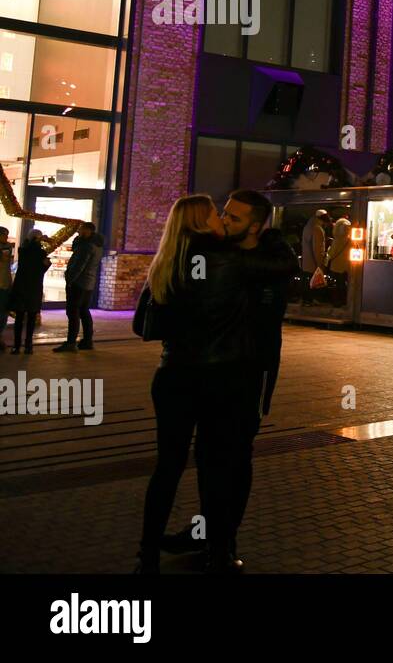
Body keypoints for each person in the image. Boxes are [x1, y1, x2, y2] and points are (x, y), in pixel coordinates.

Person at [134, 194, 256, 574]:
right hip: (215, 378)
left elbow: (141, 325)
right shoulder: (224, 259)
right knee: (213, 468)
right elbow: (280, 266)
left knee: (166, 469)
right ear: (203, 223)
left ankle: (147, 557)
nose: (223, 219)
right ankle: (218, 553)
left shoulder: (166, 263)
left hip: (172, 377)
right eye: (216, 215)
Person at [54, 223, 103, 352]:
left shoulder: (87, 246)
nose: (78, 232)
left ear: (88, 230)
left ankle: (71, 343)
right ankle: (87, 341)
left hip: (79, 283)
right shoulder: (96, 245)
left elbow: (79, 265)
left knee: (73, 312)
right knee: (84, 311)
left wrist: (70, 279)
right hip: (88, 283)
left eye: (81, 229)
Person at [9, 231, 51, 355]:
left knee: (19, 319)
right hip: (34, 289)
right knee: (31, 319)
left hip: (21, 288)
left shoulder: (23, 250)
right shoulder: (41, 253)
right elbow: (41, 270)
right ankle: (28, 346)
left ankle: (16, 346)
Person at [300, 209, 329, 303]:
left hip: (306, 262)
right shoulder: (318, 229)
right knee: (315, 282)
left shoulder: (307, 227)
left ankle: (306, 300)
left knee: (307, 281)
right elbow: (318, 249)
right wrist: (320, 264)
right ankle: (313, 300)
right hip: (313, 263)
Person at [325, 214, 352, 308]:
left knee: (336, 284)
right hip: (347, 266)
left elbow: (331, 253)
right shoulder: (350, 240)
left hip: (336, 266)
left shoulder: (337, 240)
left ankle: (337, 301)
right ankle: (344, 300)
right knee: (344, 284)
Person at [0, 226, 13, 347]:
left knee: (3, 312)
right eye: (4, 235)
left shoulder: (8, 247)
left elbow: (5, 257)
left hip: (5, 284)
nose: (6, 237)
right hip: (3, 284)